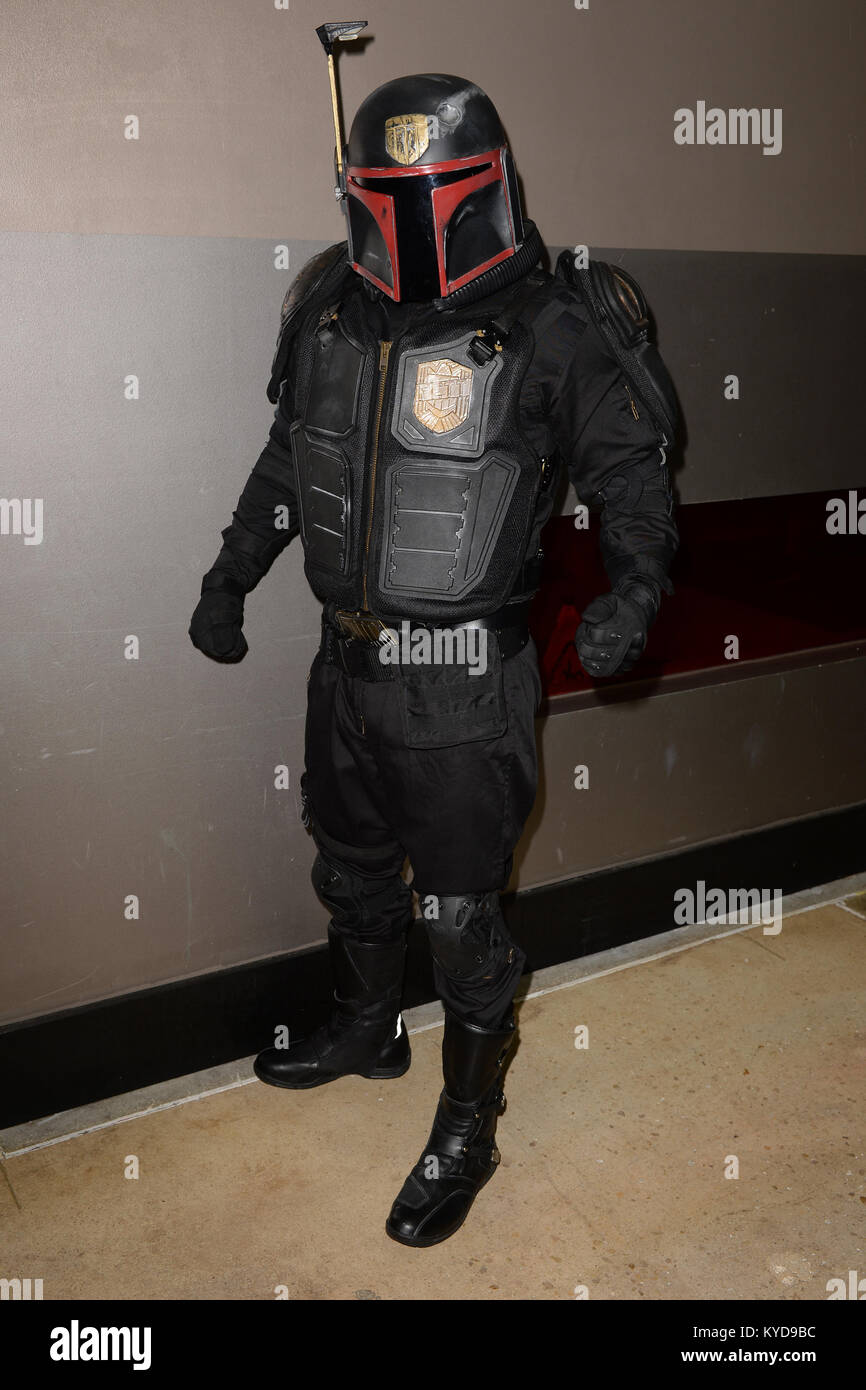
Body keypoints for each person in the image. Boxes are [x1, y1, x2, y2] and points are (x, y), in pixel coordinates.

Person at [189, 71, 679, 1248]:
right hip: (346, 670)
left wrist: (636, 594)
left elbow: (631, 481)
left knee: (461, 915)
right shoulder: (325, 309)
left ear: (486, 188)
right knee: (350, 866)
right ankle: (367, 1029)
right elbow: (284, 460)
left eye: (436, 194)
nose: (413, 221)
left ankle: (467, 1123)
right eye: (387, 196)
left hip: (466, 681)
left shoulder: (558, 321)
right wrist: (229, 573)